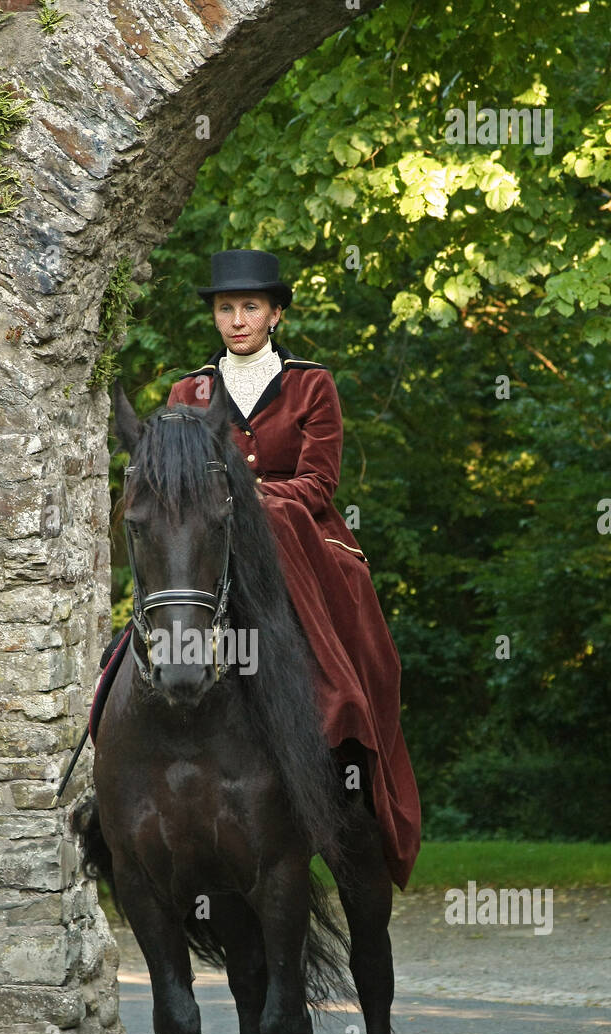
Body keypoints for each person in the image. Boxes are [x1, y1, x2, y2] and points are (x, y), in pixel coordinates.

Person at [165, 248, 421, 889]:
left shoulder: (312, 383)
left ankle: (347, 709)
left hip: (304, 530)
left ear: (275, 313)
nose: (237, 318)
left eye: (250, 306)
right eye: (226, 308)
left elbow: (318, 482)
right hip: (213, 535)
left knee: (324, 565)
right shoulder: (186, 391)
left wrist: (248, 502)